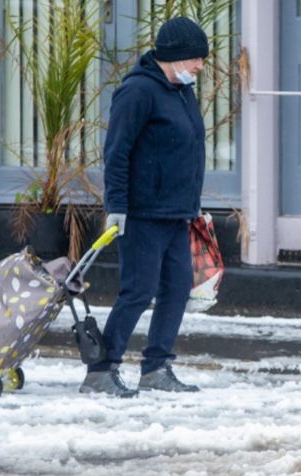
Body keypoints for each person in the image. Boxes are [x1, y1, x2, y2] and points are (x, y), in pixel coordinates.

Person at [79, 16, 208, 397]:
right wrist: (116, 206)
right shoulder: (137, 92)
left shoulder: (182, 91)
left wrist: (193, 204)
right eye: (196, 58)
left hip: (176, 212)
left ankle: (156, 367)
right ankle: (101, 370)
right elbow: (117, 153)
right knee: (139, 290)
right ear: (173, 57)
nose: (201, 65)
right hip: (141, 212)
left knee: (178, 286)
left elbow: (190, 151)